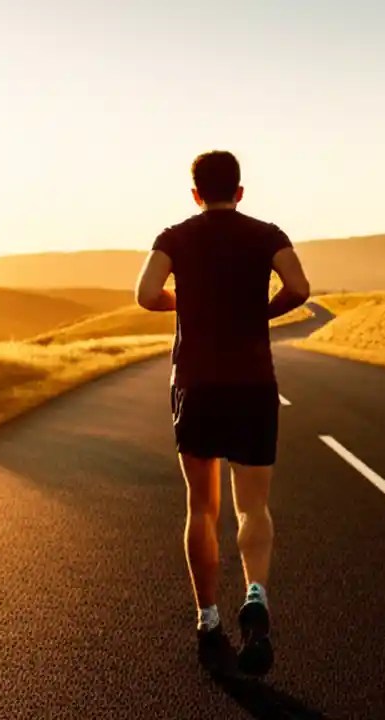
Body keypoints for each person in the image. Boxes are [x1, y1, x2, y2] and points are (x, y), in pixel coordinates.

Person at [135, 150, 311, 676]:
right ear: (239, 191)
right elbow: (300, 289)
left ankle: (208, 618)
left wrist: (183, 302)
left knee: (202, 508)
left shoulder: (175, 236)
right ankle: (255, 595)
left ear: (194, 193)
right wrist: (261, 310)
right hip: (254, 386)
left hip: (196, 386)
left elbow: (145, 294)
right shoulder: (266, 233)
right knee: (253, 507)